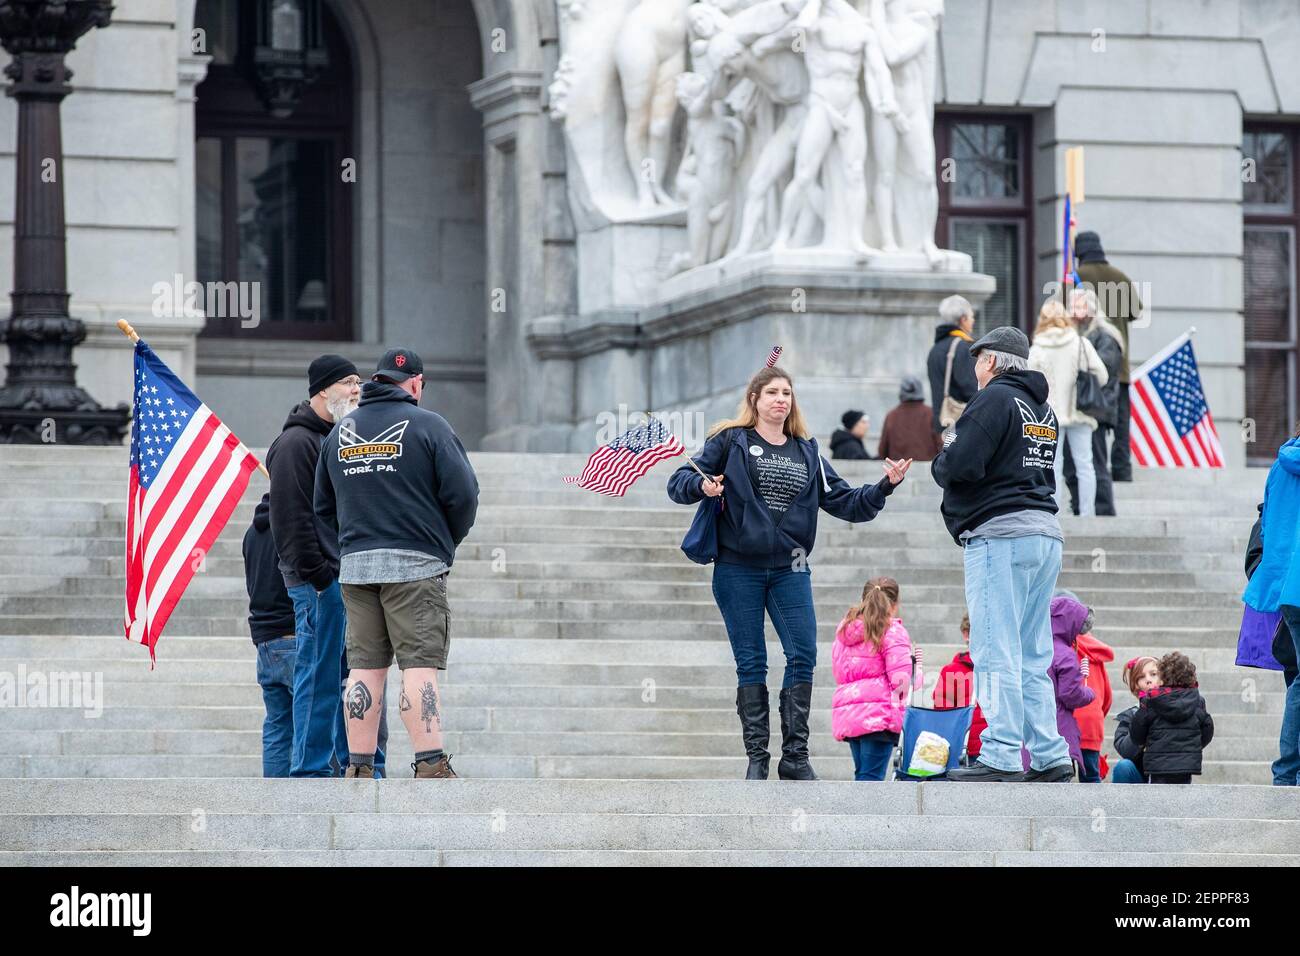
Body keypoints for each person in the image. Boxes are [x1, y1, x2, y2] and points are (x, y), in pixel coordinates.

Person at [667, 365, 912, 780]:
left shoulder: (807, 450)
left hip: (790, 569)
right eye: (772, 393)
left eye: (787, 393)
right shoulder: (731, 441)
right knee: (752, 662)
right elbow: (679, 481)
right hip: (737, 568)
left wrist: (884, 486)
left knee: (803, 654)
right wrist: (702, 487)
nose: (781, 399)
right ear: (755, 400)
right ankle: (758, 759)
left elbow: (845, 501)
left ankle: (795, 757)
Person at [315, 348, 480, 779]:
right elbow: (463, 496)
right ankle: (429, 762)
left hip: (357, 568)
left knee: (364, 669)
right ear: (416, 384)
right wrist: (445, 543)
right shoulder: (431, 426)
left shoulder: (340, 432)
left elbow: (322, 506)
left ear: (376, 381)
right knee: (418, 666)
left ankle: (359, 767)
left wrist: (352, 545)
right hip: (417, 567)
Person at [931, 325, 1074, 782]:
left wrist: (942, 458)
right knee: (1034, 654)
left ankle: (1001, 753)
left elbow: (960, 463)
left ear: (990, 361)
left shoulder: (992, 400)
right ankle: (1050, 755)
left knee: (994, 648)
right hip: (1044, 534)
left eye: (977, 359)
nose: (975, 369)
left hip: (1000, 534)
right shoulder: (1043, 409)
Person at [267, 354, 387, 778]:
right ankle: (311, 771)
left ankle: (347, 764)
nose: (357, 390)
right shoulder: (297, 444)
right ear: (321, 390)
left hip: (346, 581)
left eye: (359, 382)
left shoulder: (340, 439)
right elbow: (289, 522)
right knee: (317, 678)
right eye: (347, 382)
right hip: (319, 584)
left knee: (348, 677)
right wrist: (321, 577)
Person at [1242, 426, 1300, 785]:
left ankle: (1288, 771)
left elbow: (1266, 528)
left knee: (1296, 677)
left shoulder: (1280, 464)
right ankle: (1286, 771)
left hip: (1286, 586)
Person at [831, 577, 923, 781]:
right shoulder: (892, 630)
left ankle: (856, 813)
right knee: (871, 780)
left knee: (863, 775)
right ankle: (860, 814)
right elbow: (902, 683)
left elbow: (839, 673)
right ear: (895, 603)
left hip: (851, 713)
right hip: (879, 716)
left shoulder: (846, 630)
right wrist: (917, 672)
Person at [1028, 299, 1108, 517]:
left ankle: (1055, 513)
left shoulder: (1037, 348)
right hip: (1079, 412)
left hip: (1049, 415)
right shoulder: (1080, 343)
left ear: (1042, 319)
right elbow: (1102, 375)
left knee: (1053, 465)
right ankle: (1087, 514)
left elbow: (1029, 383)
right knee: (1085, 465)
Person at [1074, 230, 1142, 482]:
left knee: (1090, 421)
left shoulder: (1076, 278)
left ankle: (1094, 471)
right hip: (1120, 366)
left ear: (1079, 252)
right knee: (1121, 422)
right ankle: (1122, 470)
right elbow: (1136, 312)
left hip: (1084, 366)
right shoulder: (1120, 278)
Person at [242, 493, 298, 778]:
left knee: (277, 723)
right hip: (294, 634)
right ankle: (312, 794)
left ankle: (274, 794)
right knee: (310, 722)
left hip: (265, 639)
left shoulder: (252, 532)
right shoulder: (294, 524)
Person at [1063, 288, 1125, 516]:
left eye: (1079, 306)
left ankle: (1103, 511)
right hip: (1077, 410)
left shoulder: (1104, 335)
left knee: (1095, 463)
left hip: (1095, 410)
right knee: (1071, 464)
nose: (1074, 311)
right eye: (1072, 306)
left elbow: (1103, 371)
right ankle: (1081, 505)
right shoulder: (1077, 335)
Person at [1020, 594, 1095, 779]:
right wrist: (1089, 693)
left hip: (1029, 730)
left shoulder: (1033, 649)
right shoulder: (1066, 654)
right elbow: (1070, 694)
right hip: (1059, 728)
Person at [1127, 651, 1214, 784]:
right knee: (1182, 794)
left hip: (1157, 765)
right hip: (1186, 764)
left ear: (1162, 677)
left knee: (1158, 798)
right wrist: (1194, 746)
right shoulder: (1197, 701)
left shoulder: (1151, 701)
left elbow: (1137, 735)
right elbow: (1207, 729)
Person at [932, 611, 987, 767]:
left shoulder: (1000, 670)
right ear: (965, 634)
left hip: (991, 750)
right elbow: (943, 716)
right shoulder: (951, 672)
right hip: (964, 750)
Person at [1072, 603, 1115, 783]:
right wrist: (1097, 714)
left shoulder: (1062, 647)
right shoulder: (1096, 654)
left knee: (1061, 776)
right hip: (1092, 724)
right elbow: (1107, 695)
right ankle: (1093, 809)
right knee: (1091, 777)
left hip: (1068, 722)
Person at [925, 295, 977, 436]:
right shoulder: (963, 347)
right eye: (971, 317)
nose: (973, 321)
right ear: (963, 319)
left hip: (941, 424)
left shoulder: (935, 349)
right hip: (962, 425)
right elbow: (971, 390)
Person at [1112, 656, 1158, 784]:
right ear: (1136, 685)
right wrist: (1142, 718)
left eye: (1153, 674)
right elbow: (1126, 751)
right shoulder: (1130, 716)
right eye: (1141, 677)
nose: (1148, 680)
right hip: (1141, 777)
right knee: (1123, 767)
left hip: (1168, 775)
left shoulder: (1175, 709)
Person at [877, 375, 942, 461]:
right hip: (927, 471)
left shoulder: (891, 416)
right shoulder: (931, 414)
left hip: (899, 471)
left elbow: (882, 451)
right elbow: (940, 446)